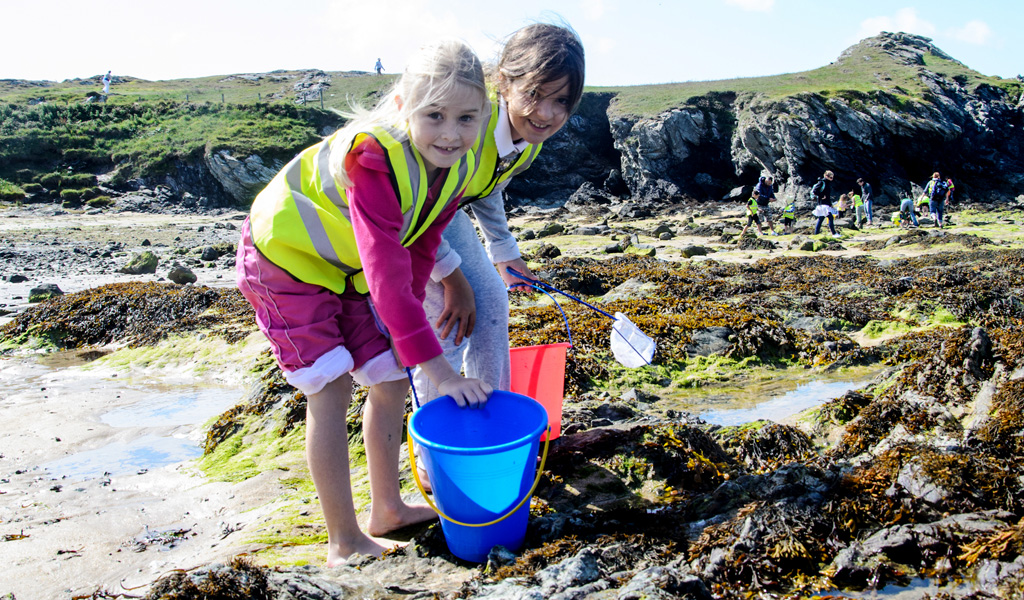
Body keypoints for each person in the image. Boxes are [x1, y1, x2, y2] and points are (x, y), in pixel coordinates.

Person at [235, 39, 492, 565]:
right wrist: (442, 373)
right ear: (401, 107)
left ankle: (387, 511)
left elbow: (418, 248)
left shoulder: (457, 168)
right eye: (434, 115)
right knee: (328, 385)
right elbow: (386, 279)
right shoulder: (373, 160)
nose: (451, 132)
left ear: (484, 115)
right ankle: (343, 541)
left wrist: (418, 334)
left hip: (342, 271)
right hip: (283, 261)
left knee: (391, 376)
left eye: (467, 118)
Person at [411, 23, 585, 410]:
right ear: (504, 83)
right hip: (402, 217)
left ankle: (491, 416)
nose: (546, 113)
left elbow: (488, 186)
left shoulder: (528, 143)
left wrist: (504, 250)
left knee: (490, 298)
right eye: (535, 93)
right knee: (447, 304)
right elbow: (417, 207)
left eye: (562, 101)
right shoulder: (468, 128)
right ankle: (438, 423)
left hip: (442, 212)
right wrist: (453, 279)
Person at [811, 170, 837, 236]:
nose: (832, 179)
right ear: (826, 176)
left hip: (825, 204)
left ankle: (816, 234)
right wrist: (822, 196)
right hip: (823, 204)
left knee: (821, 219)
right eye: (830, 177)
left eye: (832, 177)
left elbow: (827, 195)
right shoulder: (822, 182)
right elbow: (815, 191)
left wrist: (830, 204)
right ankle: (834, 233)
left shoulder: (827, 183)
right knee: (830, 218)